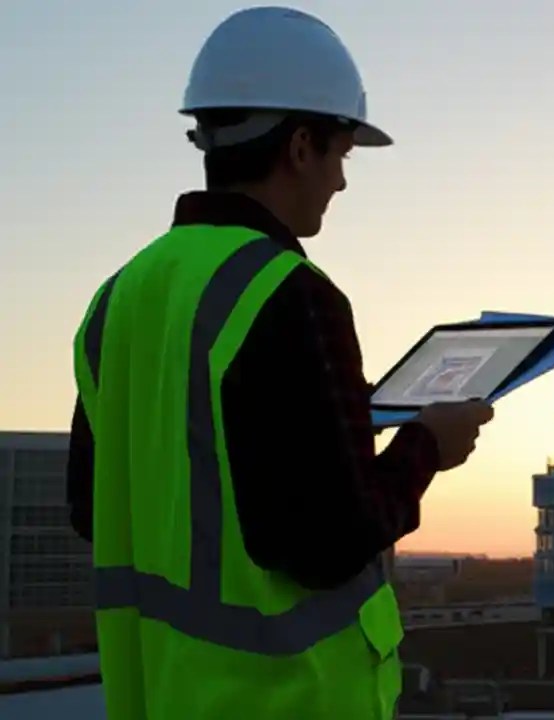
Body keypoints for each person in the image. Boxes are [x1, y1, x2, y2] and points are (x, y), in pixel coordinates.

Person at [64, 7, 492, 719]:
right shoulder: (291, 294)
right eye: (341, 156)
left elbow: (92, 507)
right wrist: (427, 446)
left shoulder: (120, 297)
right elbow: (330, 542)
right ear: (300, 145)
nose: (342, 184)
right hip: (291, 700)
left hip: (164, 696)